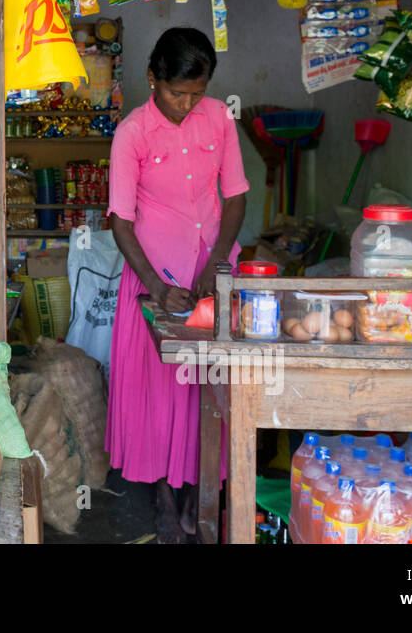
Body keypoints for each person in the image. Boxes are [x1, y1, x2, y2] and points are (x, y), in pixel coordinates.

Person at [105, 27, 248, 543]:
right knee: (162, 392)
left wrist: (215, 262)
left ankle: (199, 490)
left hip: (209, 274)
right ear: (152, 79)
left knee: (207, 387)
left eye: (196, 92)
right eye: (176, 92)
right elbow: (121, 221)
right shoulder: (133, 133)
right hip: (154, 281)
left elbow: (234, 198)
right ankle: (164, 496)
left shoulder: (219, 118)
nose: (187, 103)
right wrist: (155, 287)